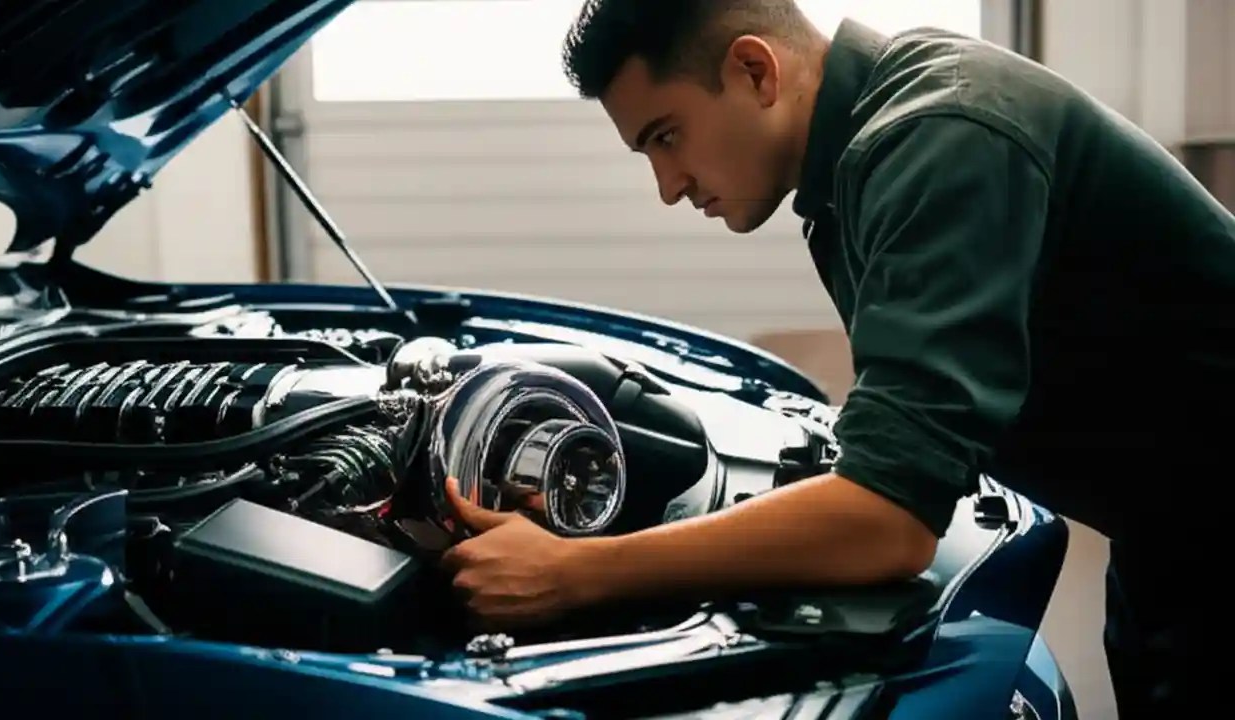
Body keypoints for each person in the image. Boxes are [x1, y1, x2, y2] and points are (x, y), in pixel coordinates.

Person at [438, 1, 1234, 716]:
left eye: (666, 135)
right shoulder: (867, 149)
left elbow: (889, 521)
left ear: (755, 69)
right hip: (1170, 535)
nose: (668, 187)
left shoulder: (938, 139)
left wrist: (578, 574)